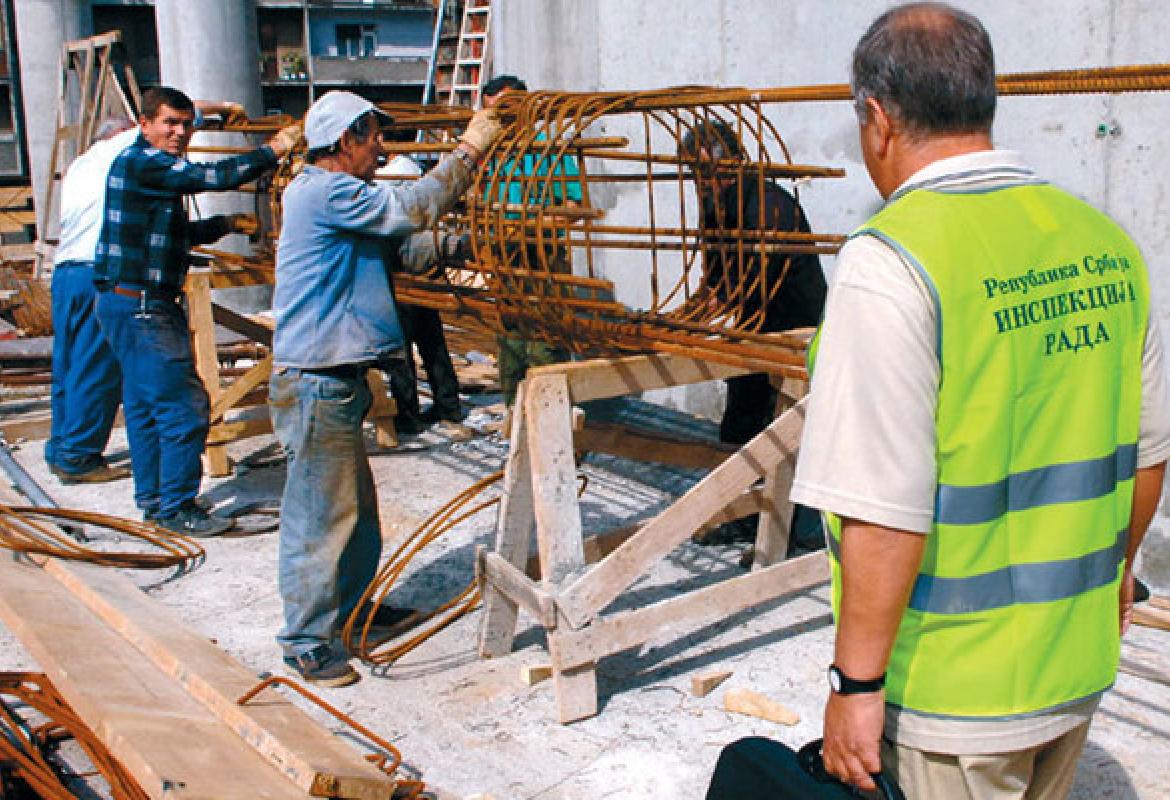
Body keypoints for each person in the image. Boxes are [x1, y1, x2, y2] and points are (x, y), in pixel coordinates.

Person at [790, 4, 1170, 798]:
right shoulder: (1102, 243)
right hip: (1076, 662)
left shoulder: (891, 260)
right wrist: (1108, 591)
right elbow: (1148, 455)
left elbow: (881, 506)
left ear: (877, 117)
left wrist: (855, 686)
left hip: (955, 696)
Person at [270, 90, 500, 686]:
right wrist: (472, 148)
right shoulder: (324, 190)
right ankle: (305, 640)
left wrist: (473, 245)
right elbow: (414, 207)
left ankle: (351, 614)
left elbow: (406, 248)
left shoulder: (341, 198)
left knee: (356, 514)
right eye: (373, 136)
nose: (382, 147)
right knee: (320, 515)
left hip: (336, 379)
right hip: (317, 380)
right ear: (343, 141)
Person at [94, 87, 300, 536]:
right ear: (145, 124)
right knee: (184, 406)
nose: (180, 132)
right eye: (170, 123)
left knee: (148, 406)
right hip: (144, 306)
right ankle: (177, 507)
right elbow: (214, 176)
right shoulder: (145, 162)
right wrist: (274, 150)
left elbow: (167, 234)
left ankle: (155, 500)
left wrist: (222, 225)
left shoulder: (145, 169)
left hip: (126, 301)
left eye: (186, 124)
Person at [680, 119, 826, 553]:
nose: (706, 182)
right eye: (697, 174)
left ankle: (788, 531)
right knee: (741, 418)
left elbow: (746, 286)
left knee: (784, 428)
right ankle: (743, 516)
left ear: (737, 161)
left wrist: (711, 318)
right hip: (752, 324)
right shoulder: (714, 207)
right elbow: (715, 283)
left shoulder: (768, 205)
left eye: (713, 170)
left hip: (790, 325)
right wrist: (683, 316)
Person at [45, 117, 138, 484]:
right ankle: (80, 457)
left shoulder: (79, 166)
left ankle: (62, 446)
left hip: (67, 272)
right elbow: (161, 123)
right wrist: (219, 109)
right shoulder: (111, 153)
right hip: (95, 271)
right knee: (97, 366)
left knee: (68, 364)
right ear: (118, 135)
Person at [481, 75, 580, 406]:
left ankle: (556, 429)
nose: (500, 121)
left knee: (544, 345)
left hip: (543, 259)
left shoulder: (548, 149)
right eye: (493, 114)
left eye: (506, 111)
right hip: (504, 260)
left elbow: (572, 207)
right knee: (510, 345)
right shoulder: (493, 153)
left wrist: (530, 226)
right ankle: (516, 423)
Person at [378, 154, 471, 440]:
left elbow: (415, 245)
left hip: (402, 286)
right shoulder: (402, 180)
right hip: (417, 282)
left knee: (403, 354)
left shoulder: (386, 187)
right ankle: (448, 406)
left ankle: (408, 415)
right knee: (432, 346)